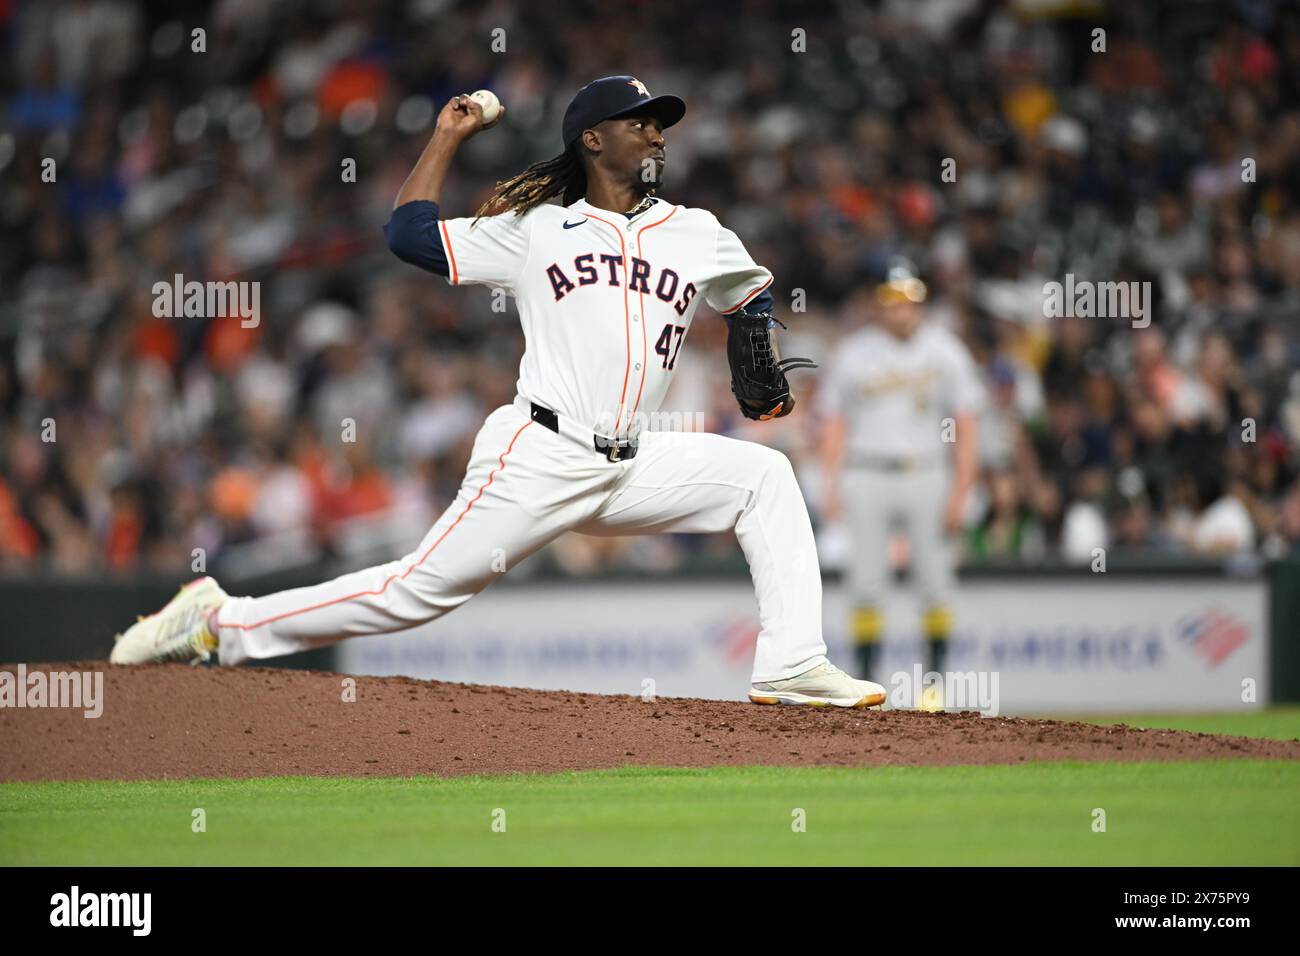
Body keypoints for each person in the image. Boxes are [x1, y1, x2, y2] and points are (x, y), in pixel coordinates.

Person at [109, 76, 886, 709]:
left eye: (661, 124)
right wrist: (447, 138)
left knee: (765, 477)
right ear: (592, 139)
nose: (656, 134)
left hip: (630, 464)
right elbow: (407, 236)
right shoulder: (536, 228)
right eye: (639, 121)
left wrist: (755, 325)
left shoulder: (696, 229)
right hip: (538, 454)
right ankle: (219, 622)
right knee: (412, 592)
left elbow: (749, 288)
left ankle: (791, 663)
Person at [820, 265, 983, 708]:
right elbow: (835, 422)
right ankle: (868, 684)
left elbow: (967, 423)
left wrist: (963, 487)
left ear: (920, 306)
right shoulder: (854, 352)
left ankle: (934, 685)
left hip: (927, 470)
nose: (900, 312)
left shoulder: (945, 351)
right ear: (880, 306)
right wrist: (830, 482)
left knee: (934, 581)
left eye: (908, 303)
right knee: (866, 583)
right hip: (866, 469)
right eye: (892, 303)